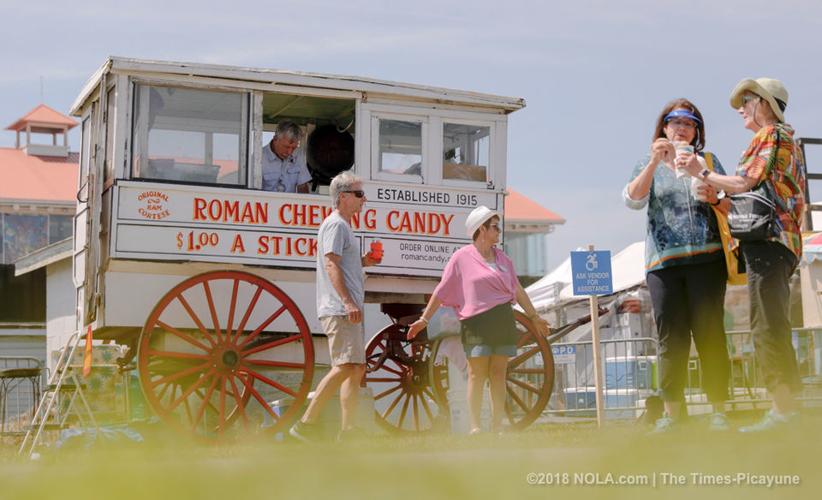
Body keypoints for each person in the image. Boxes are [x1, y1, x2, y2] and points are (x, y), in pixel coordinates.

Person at [678, 78, 805, 432]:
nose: (740, 108)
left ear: (764, 103)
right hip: (776, 242)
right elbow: (755, 202)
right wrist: (716, 198)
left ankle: (782, 411)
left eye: (746, 100)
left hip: (769, 244)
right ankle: (788, 408)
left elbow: (746, 184)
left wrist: (701, 172)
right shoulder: (781, 139)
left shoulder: (772, 135)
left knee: (766, 326)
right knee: (773, 324)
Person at [624, 98, 731, 432]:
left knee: (711, 333)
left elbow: (732, 206)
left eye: (689, 122)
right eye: (675, 122)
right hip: (664, 264)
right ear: (664, 128)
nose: (682, 127)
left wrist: (713, 194)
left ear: (696, 131)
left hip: (708, 260)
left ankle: (718, 411)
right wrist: (655, 162)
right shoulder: (648, 162)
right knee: (671, 339)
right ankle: (672, 414)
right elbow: (633, 199)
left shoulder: (709, 162)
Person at [407, 206, 550, 435]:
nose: (499, 231)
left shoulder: (504, 259)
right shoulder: (461, 258)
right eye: (495, 227)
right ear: (481, 229)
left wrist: (534, 317)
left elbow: (518, 290)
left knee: (498, 374)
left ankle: (496, 425)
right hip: (476, 322)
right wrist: (425, 319)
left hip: (502, 318)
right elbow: (442, 291)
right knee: (476, 374)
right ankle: (475, 426)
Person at [289, 171, 378, 442]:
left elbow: (341, 263)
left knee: (354, 368)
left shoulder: (342, 226)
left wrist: (364, 261)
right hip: (340, 308)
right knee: (344, 366)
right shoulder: (337, 225)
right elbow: (331, 264)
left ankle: (347, 430)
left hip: (345, 308)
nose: (365, 200)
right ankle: (305, 424)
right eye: (359, 194)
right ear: (343, 197)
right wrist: (348, 301)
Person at [263, 121, 312, 193]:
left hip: (290, 204)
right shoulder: (258, 158)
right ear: (275, 139)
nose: (290, 152)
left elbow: (302, 186)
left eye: (293, 148)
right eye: (286, 147)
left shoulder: (298, 155)